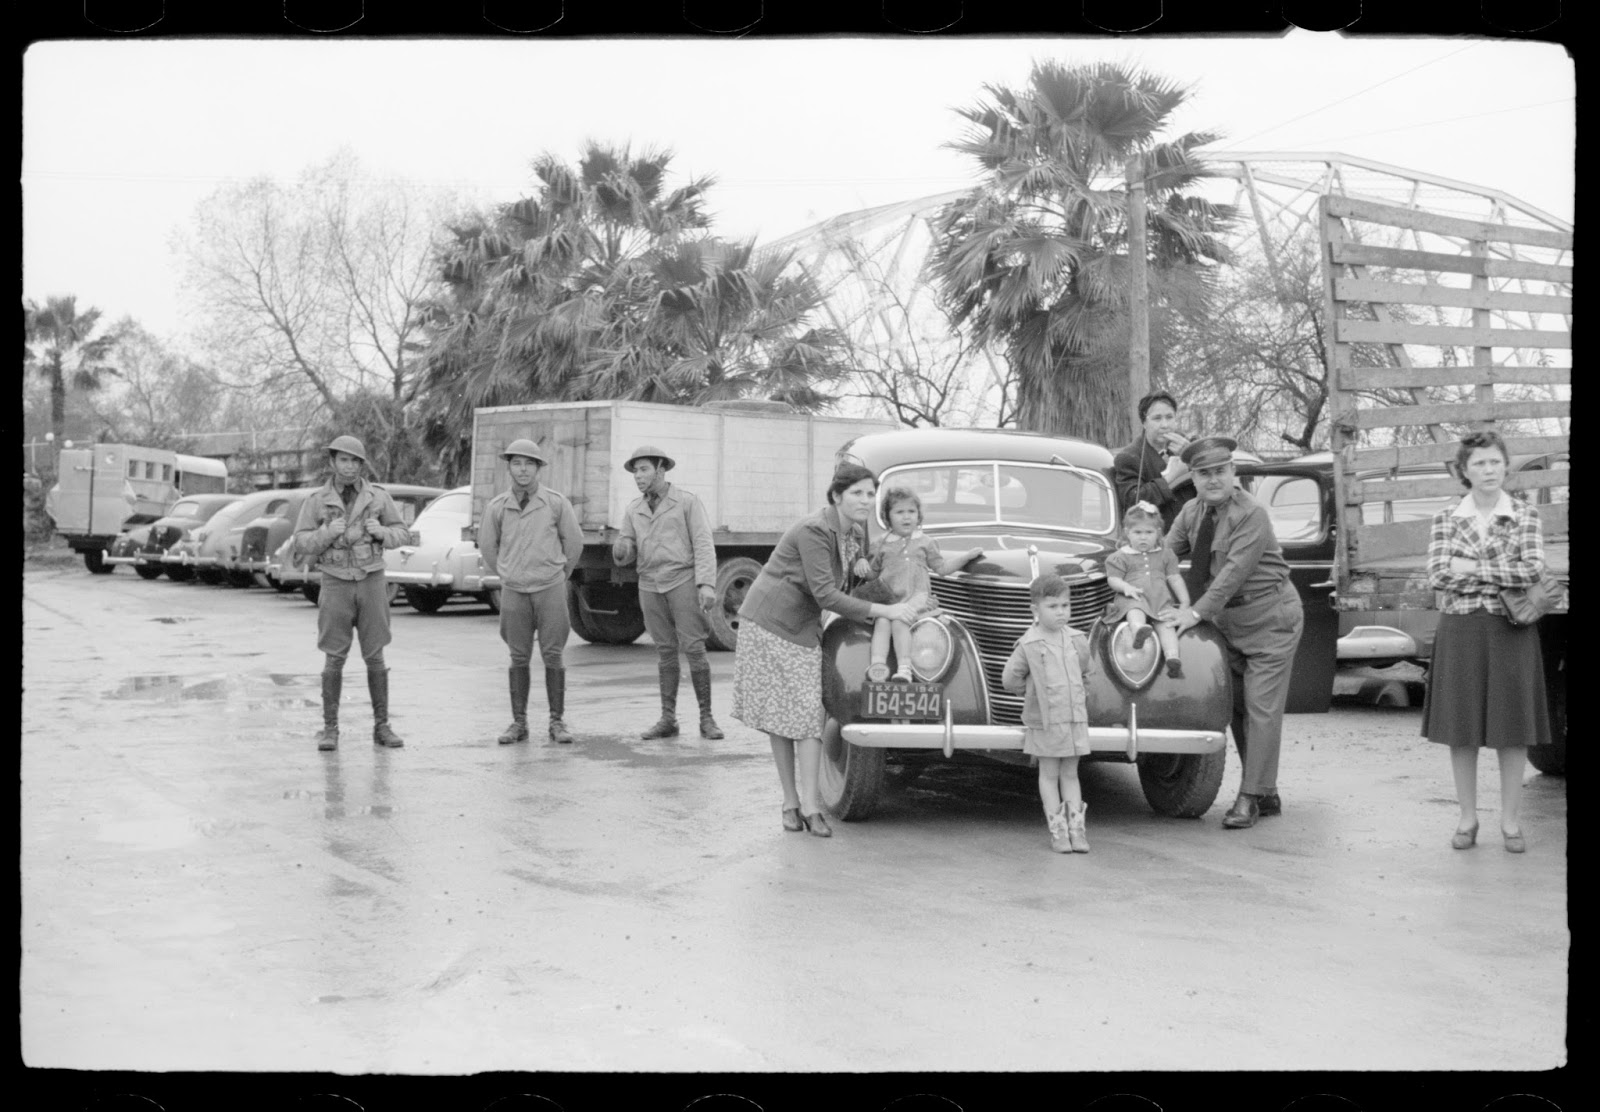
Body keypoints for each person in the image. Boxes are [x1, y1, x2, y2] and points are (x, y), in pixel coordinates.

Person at [732, 463, 920, 838]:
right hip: (772, 623)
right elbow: (826, 594)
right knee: (792, 718)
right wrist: (885, 610)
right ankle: (798, 804)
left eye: (871, 494)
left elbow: (855, 581)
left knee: (798, 715)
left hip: (804, 626)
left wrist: (899, 598)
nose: (866, 501)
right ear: (836, 496)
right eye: (858, 494)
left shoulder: (856, 529)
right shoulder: (814, 530)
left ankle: (806, 804)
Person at [1159, 435, 1304, 830]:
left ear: (1232, 471)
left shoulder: (1251, 513)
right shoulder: (1191, 512)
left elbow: (1231, 575)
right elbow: (1163, 556)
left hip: (1270, 617)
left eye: (1220, 471)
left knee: (1261, 708)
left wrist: (1193, 613)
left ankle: (1250, 797)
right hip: (1229, 624)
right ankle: (1266, 790)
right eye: (1203, 474)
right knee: (1238, 707)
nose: (1213, 480)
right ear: (1193, 478)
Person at [1421, 430, 1552, 853]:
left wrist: (1473, 567)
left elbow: (1531, 571)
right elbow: (1439, 575)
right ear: (1464, 471)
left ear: (1506, 465)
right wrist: (1498, 568)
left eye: (1495, 461)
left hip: (1510, 630)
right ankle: (1467, 819)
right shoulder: (1447, 517)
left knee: (1512, 729)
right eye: (1479, 463)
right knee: (1463, 730)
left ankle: (1511, 823)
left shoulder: (1525, 514)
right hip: (1460, 629)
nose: (1489, 469)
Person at [291, 435, 415, 751]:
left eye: (355, 461)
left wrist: (382, 533)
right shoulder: (317, 501)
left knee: (375, 654)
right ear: (333, 462)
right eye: (343, 460)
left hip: (372, 580)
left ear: (362, 465)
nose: (349, 466)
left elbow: (403, 533)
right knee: (334, 656)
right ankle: (330, 729)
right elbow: (300, 543)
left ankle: (382, 726)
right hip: (334, 582)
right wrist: (324, 533)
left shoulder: (378, 497)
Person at [611, 445, 724, 740]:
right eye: (635, 471)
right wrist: (621, 550)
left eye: (644, 469)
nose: (638, 476)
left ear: (662, 470)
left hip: (682, 580)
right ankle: (668, 719)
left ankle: (707, 719)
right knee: (664, 652)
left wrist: (707, 584)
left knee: (695, 649)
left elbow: (703, 543)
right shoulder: (633, 508)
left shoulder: (687, 502)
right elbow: (626, 544)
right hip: (649, 583)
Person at [479, 438, 585, 745]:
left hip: (549, 587)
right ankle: (519, 723)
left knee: (553, 654)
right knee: (518, 655)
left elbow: (574, 542)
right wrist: (507, 571)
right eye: (516, 463)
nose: (522, 470)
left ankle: (557, 722)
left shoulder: (555, 503)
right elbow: (488, 546)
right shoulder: (497, 506)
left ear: (538, 468)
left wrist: (559, 573)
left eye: (528, 463)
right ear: (509, 467)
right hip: (514, 590)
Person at [1001, 574, 1093, 853]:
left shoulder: (1077, 640)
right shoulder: (1029, 644)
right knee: (1049, 773)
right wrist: (1031, 695)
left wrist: (1078, 698)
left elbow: (1087, 673)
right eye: (1052, 606)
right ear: (1035, 610)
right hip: (1046, 721)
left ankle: (1078, 831)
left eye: (1065, 605)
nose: (1061, 612)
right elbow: (1010, 679)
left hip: (1075, 719)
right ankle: (1058, 833)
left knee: (1071, 773)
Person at [853, 485, 981, 682]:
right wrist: (861, 562)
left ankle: (905, 668)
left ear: (918, 515)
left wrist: (966, 557)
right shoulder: (880, 544)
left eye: (911, 512)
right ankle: (877, 666)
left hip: (916, 598)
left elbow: (942, 568)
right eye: (899, 512)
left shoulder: (925, 542)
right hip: (889, 599)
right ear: (887, 517)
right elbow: (872, 575)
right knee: (882, 621)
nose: (906, 517)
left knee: (899, 619)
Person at [1104, 500, 1191, 678]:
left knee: (1167, 624)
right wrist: (1126, 587)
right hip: (1134, 597)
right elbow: (1113, 579)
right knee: (1135, 609)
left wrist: (1184, 601)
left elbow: (1174, 577)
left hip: (1159, 600)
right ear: (1127, 533)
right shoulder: (1121, 556)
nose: (1143, 537)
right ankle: (1138, 630)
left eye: (1149, 532)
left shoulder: (1165, 554)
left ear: (1158, 533)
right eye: (1138, 532)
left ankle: (1172, 657)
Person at [1113, 391, 1196, 531]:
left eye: (1169, 417)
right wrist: (1169, 479)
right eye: (1157, 418)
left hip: (1193, 536)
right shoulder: (1129, 457)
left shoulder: (1186, 446)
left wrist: (1191, 457)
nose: (1165, 425)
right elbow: (1134, 501)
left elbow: (1208, 483)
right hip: (1156, 540)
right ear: (1144, 422)